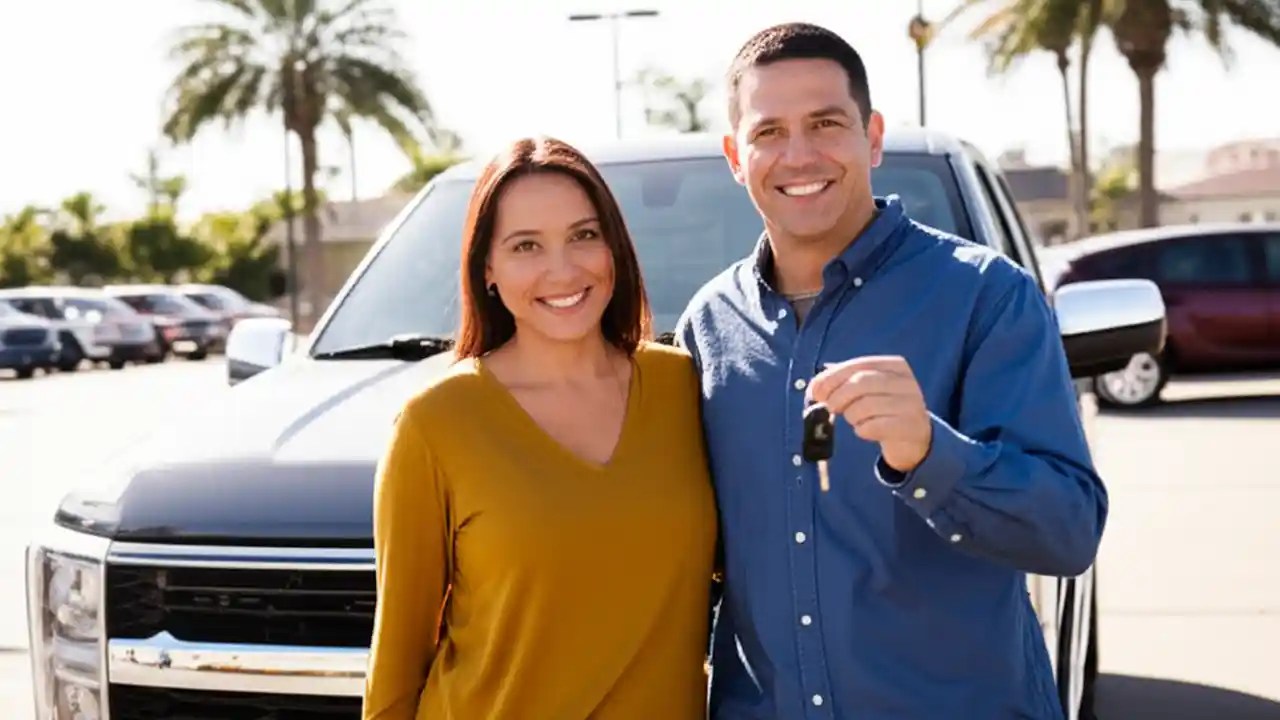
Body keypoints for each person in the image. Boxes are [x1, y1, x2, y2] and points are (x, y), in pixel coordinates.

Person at [674, 22, 1107, 719]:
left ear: (873, 136)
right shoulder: (709, 324)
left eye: (825, 123)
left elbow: (1067, 533)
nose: (799, 154)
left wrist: (931, 454)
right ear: (735, 154)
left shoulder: (986, 297)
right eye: (768, 133)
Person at [363, 136, 719, 719]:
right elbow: (397, 662)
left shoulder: (686, 389)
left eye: (584, 235)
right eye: (526, 246)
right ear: (489, 269)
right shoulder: (435, 424)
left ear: (614, 249)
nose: (563, 270)